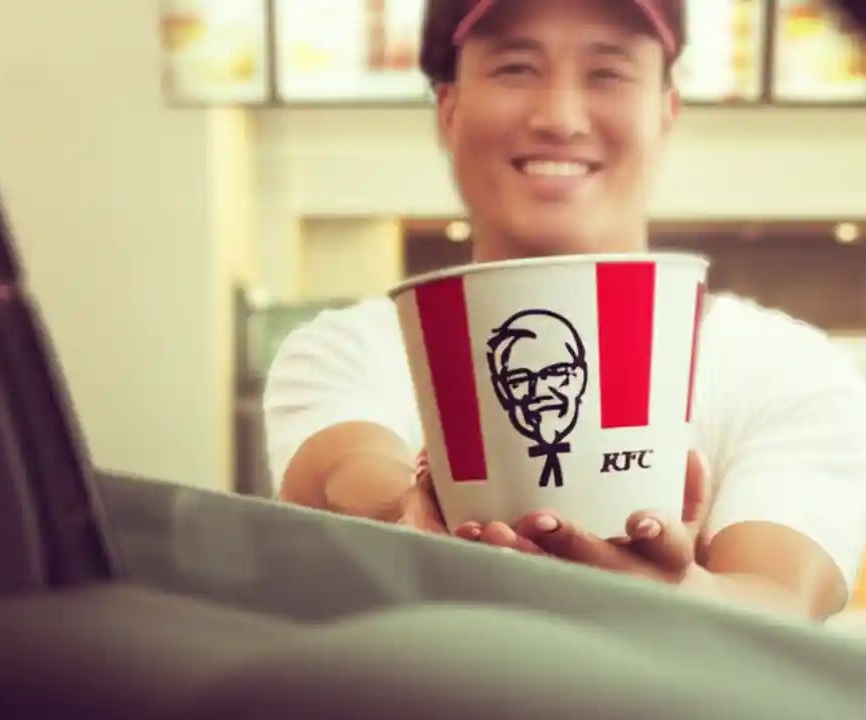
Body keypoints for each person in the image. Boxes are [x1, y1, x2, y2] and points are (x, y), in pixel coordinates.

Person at [263, 0, 866, 622]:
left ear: (666, 111)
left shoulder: (789, 371)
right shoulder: (350, 349)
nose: (558, 117)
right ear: (448, 108)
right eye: (515, 68)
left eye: (607, 72)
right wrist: (410, 510)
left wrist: (682, 596)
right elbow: (343, 468)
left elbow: (781, 603)